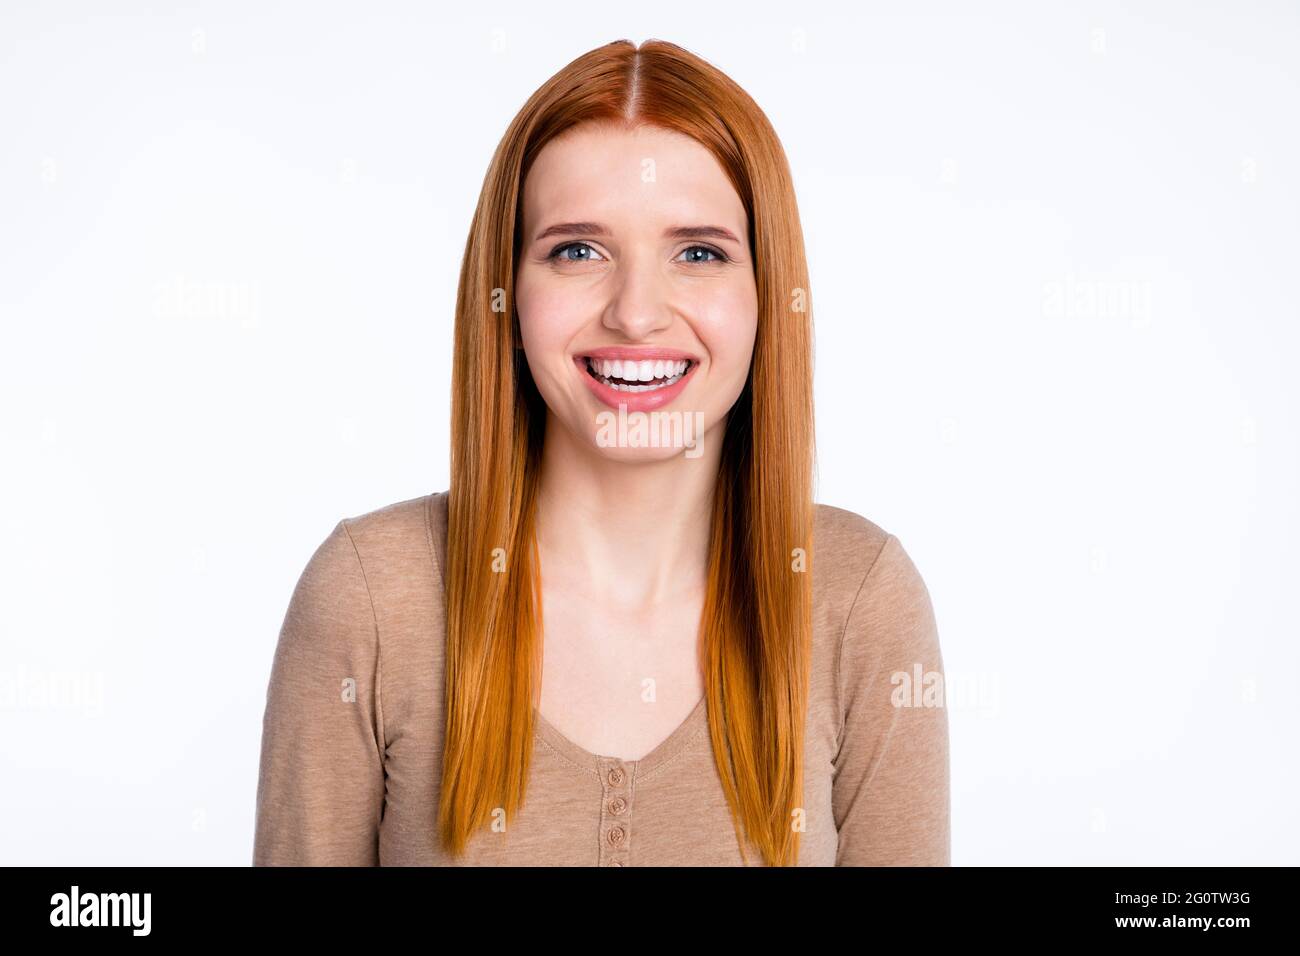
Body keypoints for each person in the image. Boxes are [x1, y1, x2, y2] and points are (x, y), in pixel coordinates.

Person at [253, 38, 949, 867]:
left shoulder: (861, 603)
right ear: (506, 293)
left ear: (767, 292)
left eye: (699, 252)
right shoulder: (370, 599)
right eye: (576, 250)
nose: (636, 312)